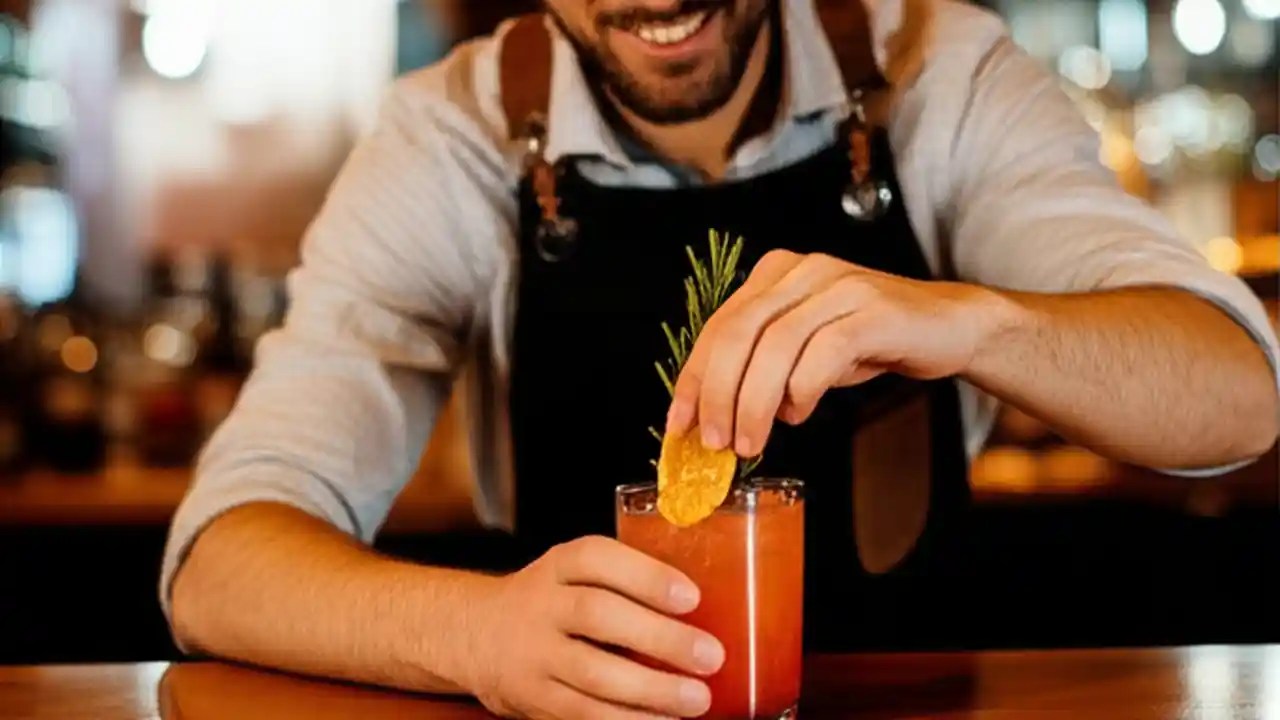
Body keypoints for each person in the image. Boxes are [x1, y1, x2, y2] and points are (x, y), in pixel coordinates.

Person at [162, 0, 1280, 718]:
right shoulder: (447, 137)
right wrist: (475, 633)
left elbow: (1237, 397)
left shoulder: (935, 69)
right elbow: (219, 566)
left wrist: (976, 323)